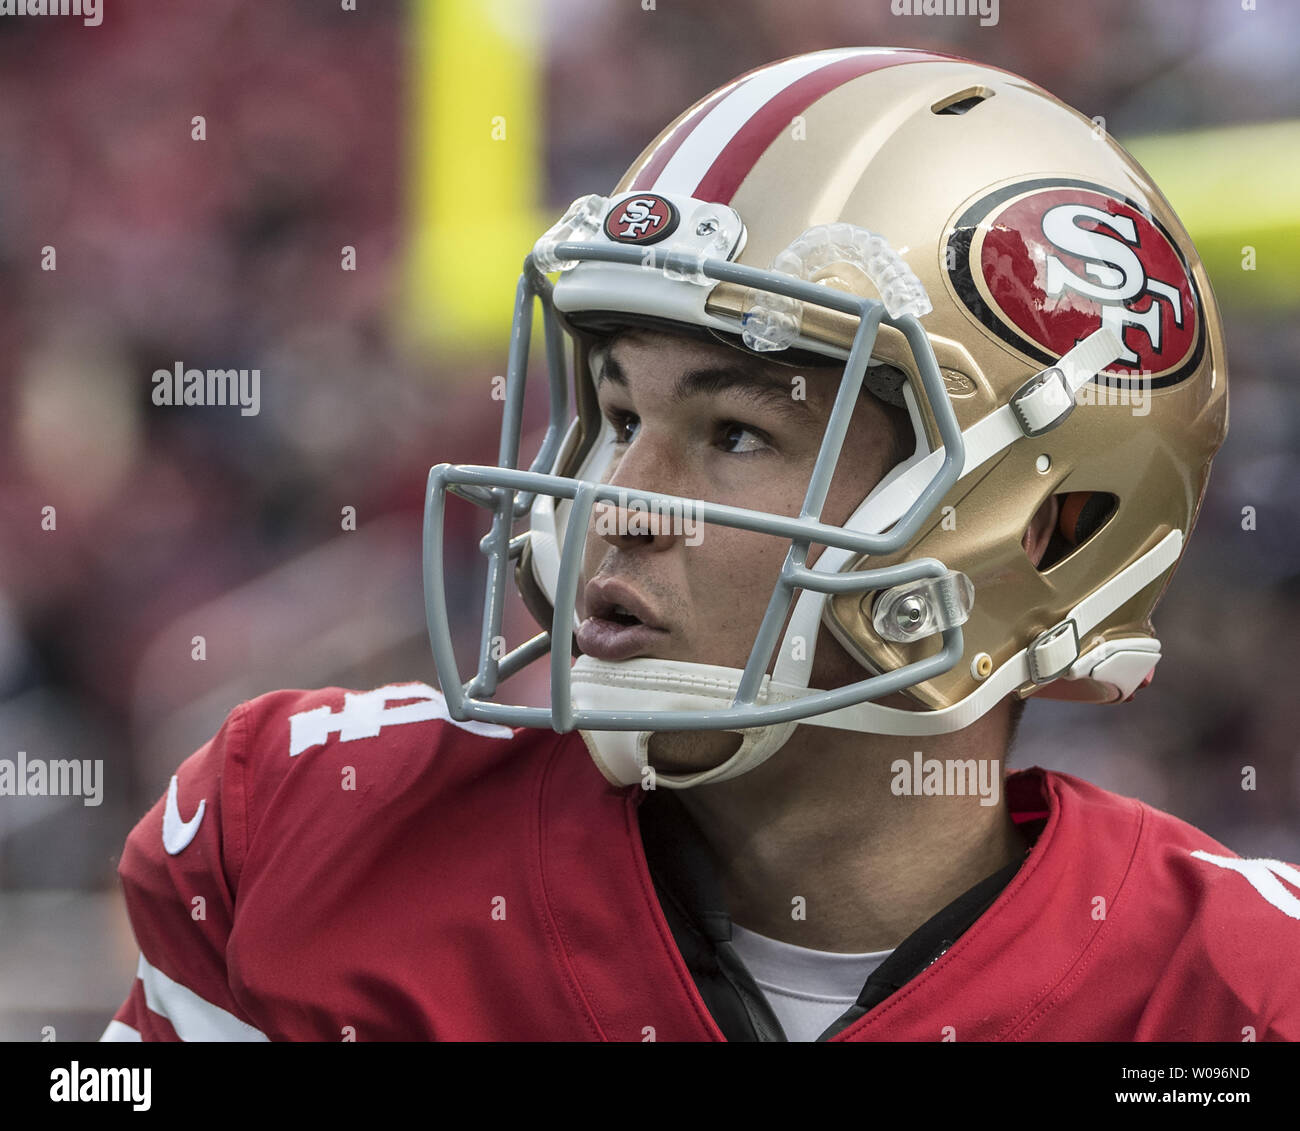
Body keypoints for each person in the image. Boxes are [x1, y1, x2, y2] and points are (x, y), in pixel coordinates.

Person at [103, 47, 1298, 1043]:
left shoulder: (1234, 999)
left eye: (734, 432)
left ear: (1046, 528)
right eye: (620, 415)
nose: (620, 500)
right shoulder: (317, 841)